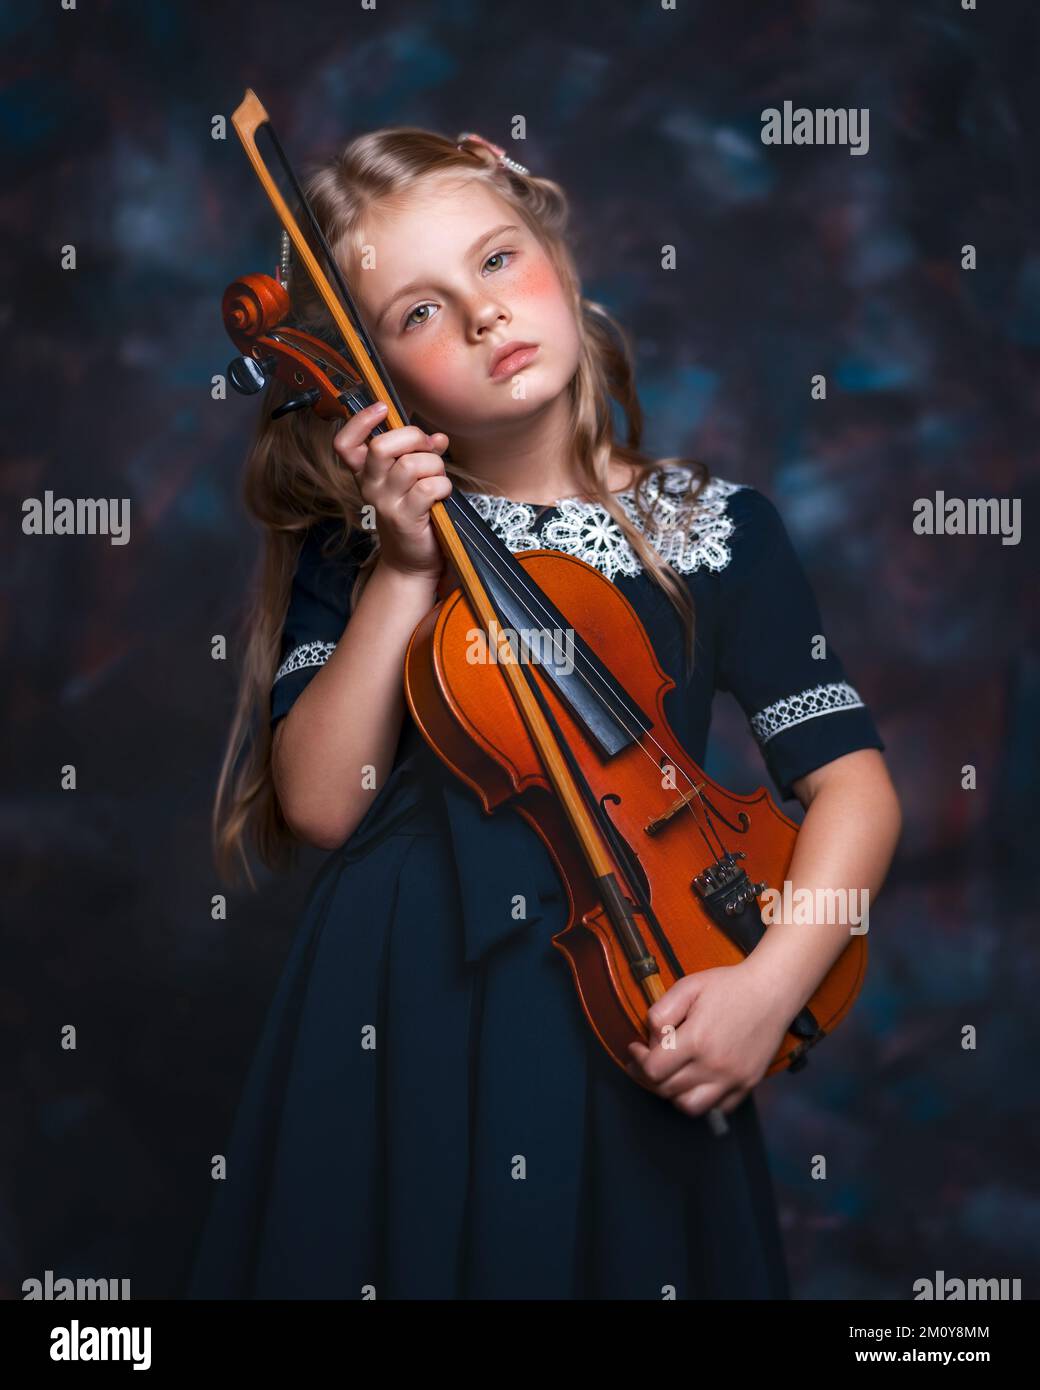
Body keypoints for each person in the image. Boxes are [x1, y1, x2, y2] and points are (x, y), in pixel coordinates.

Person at [185, 128, 902, 1300]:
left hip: (635, 986)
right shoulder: (364, 541)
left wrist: (770, 983)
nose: (479, 318)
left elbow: (852, 786)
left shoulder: (715, 525)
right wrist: (405, 569)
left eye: (496, 262)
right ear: (369, 375)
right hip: (401, 998)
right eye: (415, 313)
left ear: (557, 261)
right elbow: (322, 804)